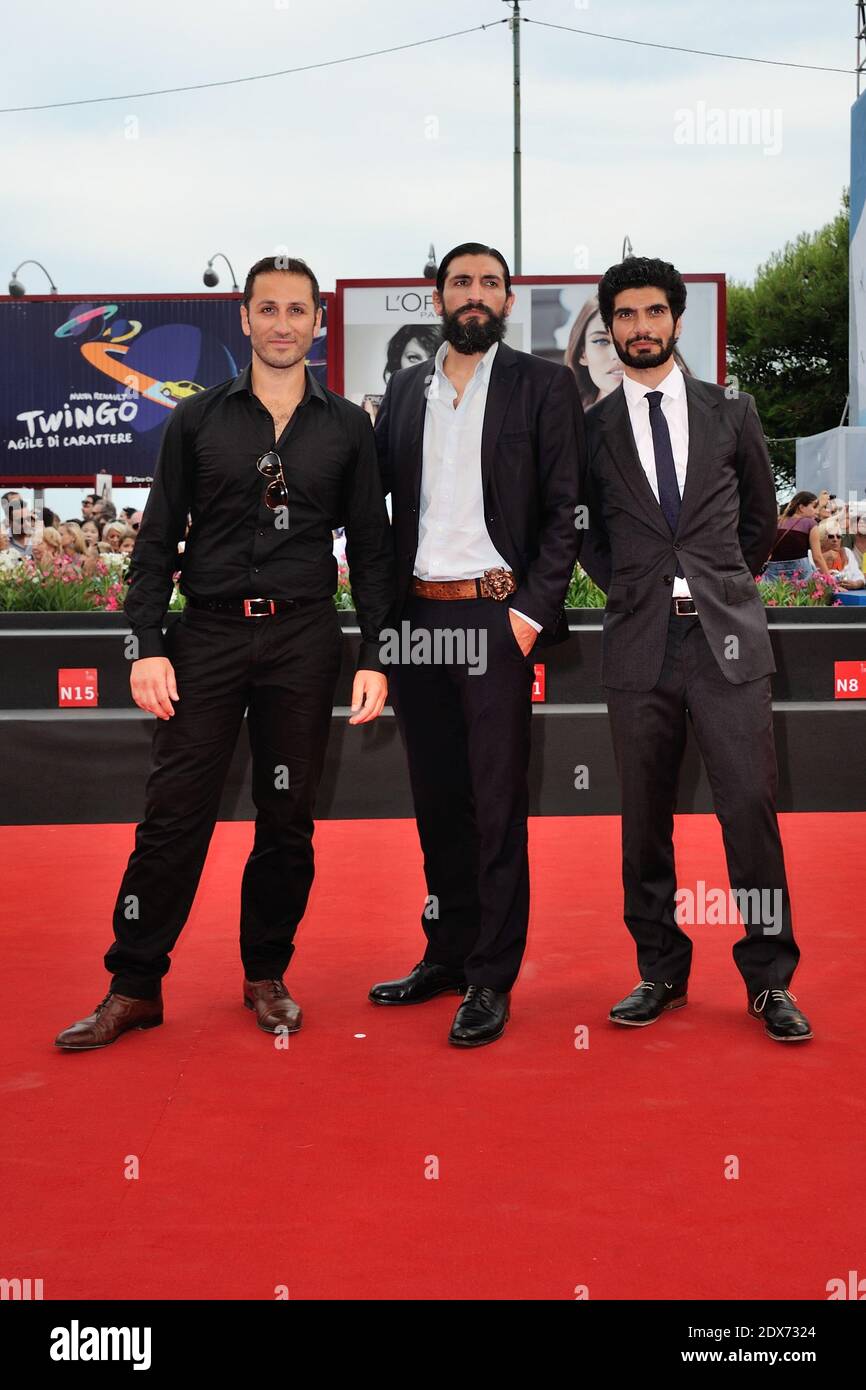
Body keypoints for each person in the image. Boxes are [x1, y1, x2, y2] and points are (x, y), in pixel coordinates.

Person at [55, 254, 394, 1051]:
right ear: (243, 319)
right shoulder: (198, 420)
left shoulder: (347, 428)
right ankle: (134, 984)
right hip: (203, 636)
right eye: (266, 308)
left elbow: (373, 554)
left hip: (305, 639)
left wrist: (379, 654)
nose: (282, 323)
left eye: (296, 310)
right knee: (173, 818)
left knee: (287, 821)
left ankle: (265, 974)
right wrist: (144, 643)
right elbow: (155, 541)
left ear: (318, 324)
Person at [580, 256, 811, 1043]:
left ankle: (770, 979)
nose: (640, 328)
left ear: (678, 320)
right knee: (643, 819)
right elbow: (591, 538)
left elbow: (759, 519)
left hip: (727, 644)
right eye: (626, 316)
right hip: (639, 643)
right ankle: (660, 972)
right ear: (609, 329)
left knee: (749, 808)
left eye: (653, 313)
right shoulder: (593, 427)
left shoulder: (732, 412)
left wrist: (714, 586)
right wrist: (639, 590)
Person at [369, 241, 584, 1047]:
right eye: (462, 282)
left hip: (498, 621)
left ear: (506, 300)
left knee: (497, 807)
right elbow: (373, 509)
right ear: (438, 298)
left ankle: (492, 977)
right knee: (438, 802)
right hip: (420, 621)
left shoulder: (544, 386)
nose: (476, 294)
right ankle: (448, 955)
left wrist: (529, 613)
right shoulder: (405, 391)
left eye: (490, 283)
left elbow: (567, 510)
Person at [761, 491, 819, 582]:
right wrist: (830, 581)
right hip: (801, 573)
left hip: (774, 572)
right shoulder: (810, 524)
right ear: (801, 507)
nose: (817, 511)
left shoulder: (778, 522)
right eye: (814, 507)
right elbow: (817, 557)